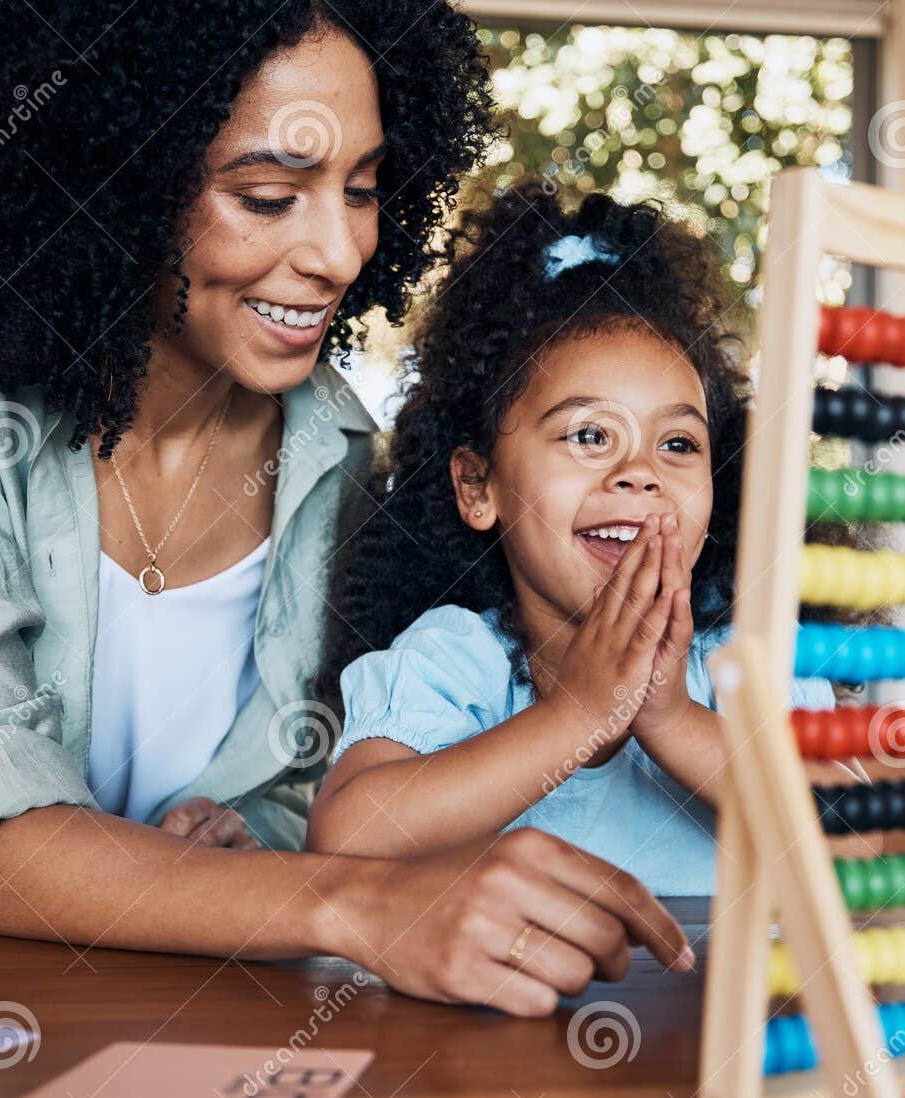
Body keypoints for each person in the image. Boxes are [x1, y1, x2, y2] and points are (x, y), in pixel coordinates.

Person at [0, 3, 690, 1018]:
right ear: (113, 185)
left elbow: (301, 785)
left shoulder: (337, 450)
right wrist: (358, 904)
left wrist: (241, 848)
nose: (339, 253)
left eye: (362, 190)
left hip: (166, 998)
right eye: (268, 196)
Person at [309, 184, 840, 894]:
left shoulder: (751, 657)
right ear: (477, 486)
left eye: (678, 444)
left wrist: (672, 719)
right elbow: (346, 841)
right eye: (589, 435)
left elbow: (853, 835)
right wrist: (579, 714)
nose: (640, 472)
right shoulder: (459, 661)